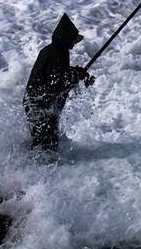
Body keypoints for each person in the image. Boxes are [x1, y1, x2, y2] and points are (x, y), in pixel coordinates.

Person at [23, 13, 95, 151]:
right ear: (66, 39)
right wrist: (75, 74)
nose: (74, 43)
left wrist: (78, 73)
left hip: (40, 105)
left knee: (45, 145)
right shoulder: (55, 53)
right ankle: (37, 169)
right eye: (73, 40)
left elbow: (59, 73)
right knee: (47, 147)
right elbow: (56, 80)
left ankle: (33, 166)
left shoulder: (56, 51)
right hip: (39, 106)